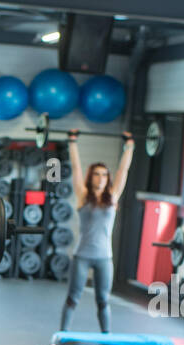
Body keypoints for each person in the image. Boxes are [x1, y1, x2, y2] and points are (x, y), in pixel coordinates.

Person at [58, 129, 134, 333]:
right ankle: (61, 337)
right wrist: (72, 142)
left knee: (103, 301)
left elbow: (123, 171)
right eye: (97, 174)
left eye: (104, 175)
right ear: (91, 177)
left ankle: (107, 340)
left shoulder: (113, 196)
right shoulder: (82, 196)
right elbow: (75, 168)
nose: (100, 178)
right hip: (82, 256)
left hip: (104, 258)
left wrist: (129, 146)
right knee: (73, 298)